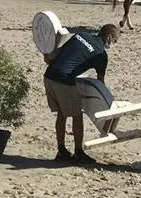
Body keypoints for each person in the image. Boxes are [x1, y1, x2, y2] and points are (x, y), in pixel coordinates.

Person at [42, 23, 120, 166]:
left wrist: (47, 57)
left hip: (49, 76)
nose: (113, 44)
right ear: (108, 37)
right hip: (64, 81)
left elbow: (54, 55)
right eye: (114, 41)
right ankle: (78, 152)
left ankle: (62, 151)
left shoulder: (80, 35)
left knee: (62, 113)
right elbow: (100, 82)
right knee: (77, 115)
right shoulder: (101, 54)